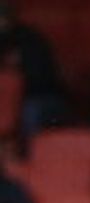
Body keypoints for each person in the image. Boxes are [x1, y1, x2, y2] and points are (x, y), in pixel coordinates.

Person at [0, 1, 70, 144]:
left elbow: (40, 80)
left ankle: (29, 156)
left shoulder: (31, 40)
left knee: (30, 112)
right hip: (8, 102)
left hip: (41, 98)